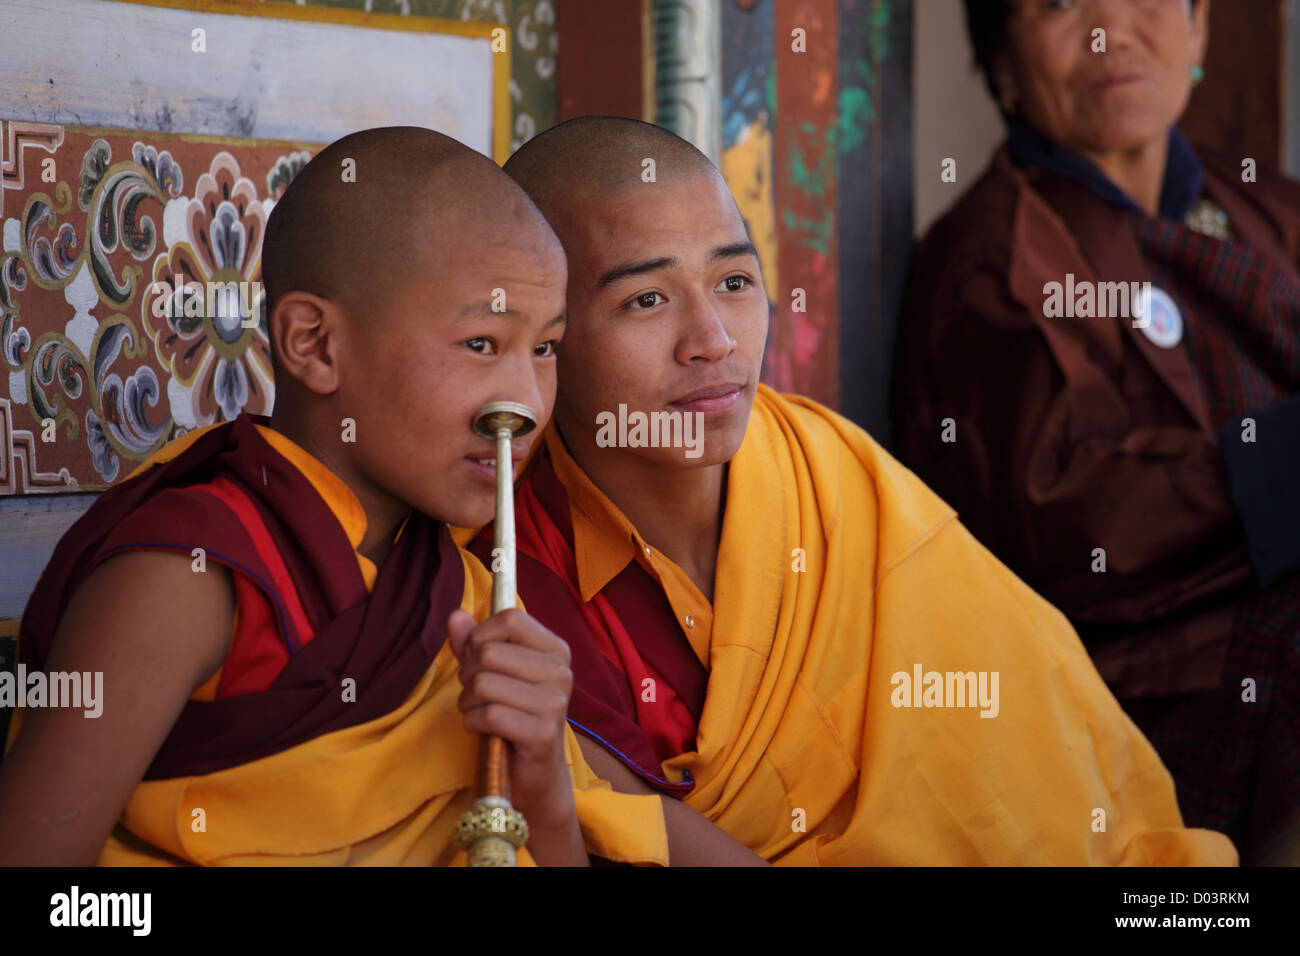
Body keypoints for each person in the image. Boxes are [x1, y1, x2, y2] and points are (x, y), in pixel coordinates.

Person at [465, 114, 1238, 865]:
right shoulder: (506, 565)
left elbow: (1041, 785)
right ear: (547, 338)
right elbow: (603, 824)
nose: (715, 341)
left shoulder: (836, 481)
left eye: (734, 280)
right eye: (647, 299)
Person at [0, 126, 668, 867]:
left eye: (544, 349)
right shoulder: (190, 575)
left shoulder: (468, 597)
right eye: (483, 344)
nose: (524, 406)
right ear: (315, 345)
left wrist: (539, 781)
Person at [895, 0, 1300, 864]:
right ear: (1000, 64)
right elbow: (1069, 527)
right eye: (1058, 4)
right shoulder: (993, 260)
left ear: (1198, 30)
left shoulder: (1258, 204)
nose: (1110, 30)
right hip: (1141, 685)